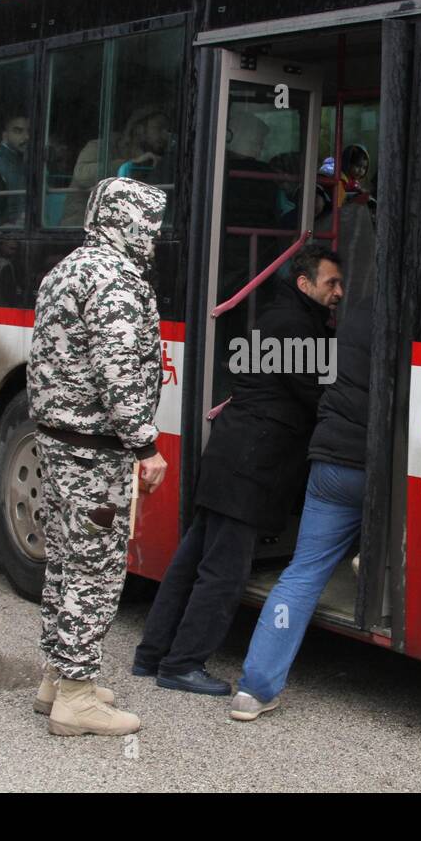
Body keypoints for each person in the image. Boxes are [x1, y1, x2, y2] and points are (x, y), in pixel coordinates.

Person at [133, 244, 345, 694]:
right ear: (305, 284)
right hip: (253, 465)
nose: (339, 292)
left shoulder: (275, 316)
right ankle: (182, 665)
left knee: (189, 562)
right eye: (332, 283)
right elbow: (319, 396)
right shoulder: (296, 327)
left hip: (232, 453)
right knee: (224, 573)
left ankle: (152, 655)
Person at [28, 176, 170, 737]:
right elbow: (118, 373)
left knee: (64, 559)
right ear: (128, 221)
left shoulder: (69, 267)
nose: (155, 237)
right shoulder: (116, 281)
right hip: (94, 453)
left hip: (59, 440)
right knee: (95, 568)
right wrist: (145, 445)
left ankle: (58, 676)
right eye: (150, 225)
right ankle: (77, 699)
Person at [230, 305, 372, 720]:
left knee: (303, 572)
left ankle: (253, 690)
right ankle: (377, 556)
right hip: (380, 467)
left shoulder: (351, 320)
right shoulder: (411, 316)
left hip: (330, 460)